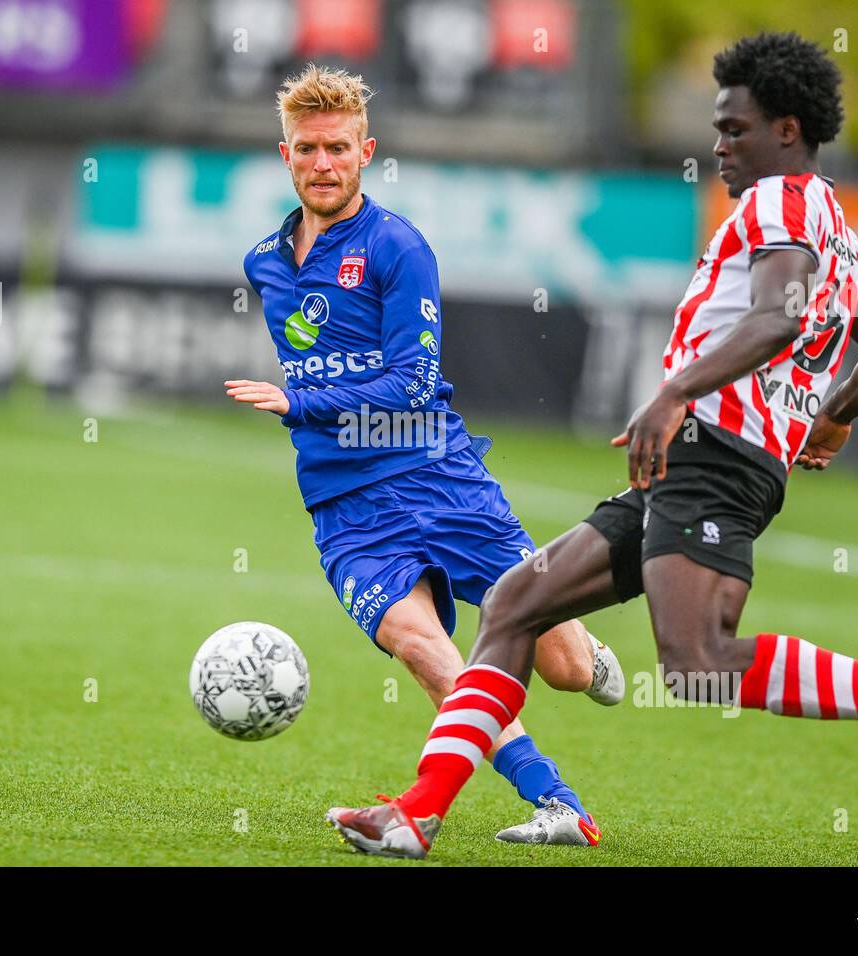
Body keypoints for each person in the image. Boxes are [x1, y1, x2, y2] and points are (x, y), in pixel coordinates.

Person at [327, 32, 858, 860]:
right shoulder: (838, 230)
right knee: (516, 604)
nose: (719, 145)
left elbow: (779, 315)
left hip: (719, 456)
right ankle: (417, 812)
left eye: (735, 128)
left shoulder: (779, 203)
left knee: (697, 660)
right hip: (697, 463)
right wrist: (835, 411)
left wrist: (676, 391)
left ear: (789, 131)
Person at [229, 64, 626, 847]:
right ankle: (558, 801)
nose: (322, 164)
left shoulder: (398, 246)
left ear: (365, 151)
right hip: (345, 507)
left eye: (337, 148)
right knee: (422, 647)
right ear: (286, 157)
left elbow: (413, 382)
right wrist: (311, 412)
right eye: (306, 149)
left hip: (436, 475)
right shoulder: (264, 263)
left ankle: (589, 648)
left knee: (566, 669)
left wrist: (301, 403)